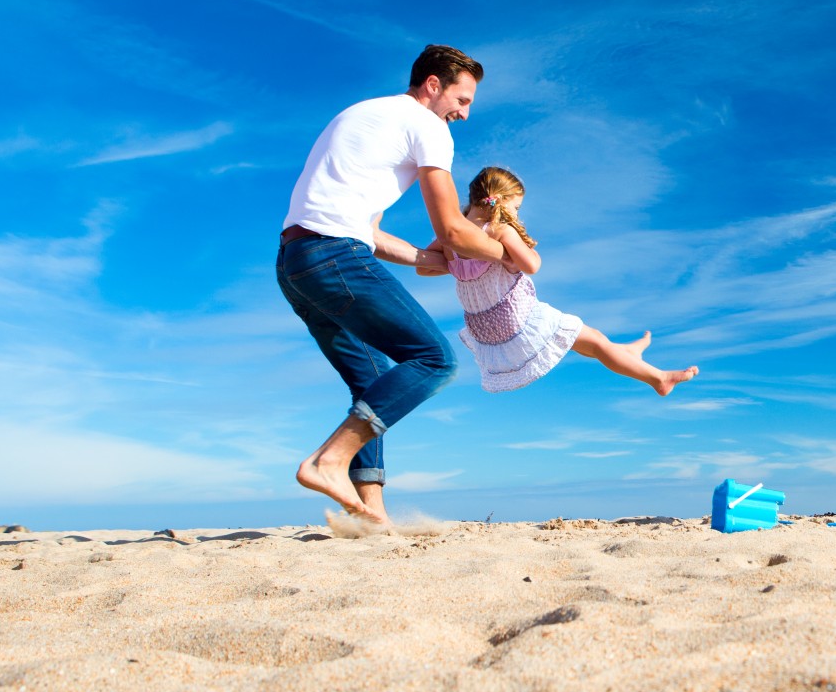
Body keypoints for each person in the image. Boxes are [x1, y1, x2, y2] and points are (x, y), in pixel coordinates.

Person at [276, 44, 509, 525]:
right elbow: (453, 229)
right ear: (432, 85)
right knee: (435, 360)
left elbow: (373, 234)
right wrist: (507, 257)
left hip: (296, 262)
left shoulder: (363, 114)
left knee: (372, 377)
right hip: (334, 254)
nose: (464, 114)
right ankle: (329, 461)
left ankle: (369, 511)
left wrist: (434, 261)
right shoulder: (429, 127)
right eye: (461, 100)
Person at [412, 167, 699, 396]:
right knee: (597, 341)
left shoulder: (451, 238)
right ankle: (659, 378)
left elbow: (423, 270)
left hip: (485, 328)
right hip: (515, 318)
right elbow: (532, 265)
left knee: (587, 343)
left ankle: (629, 353)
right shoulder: (500, 230)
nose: (517, 213)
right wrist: (506, 251)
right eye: (518, 206)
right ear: (501, 201)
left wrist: (462, 267)